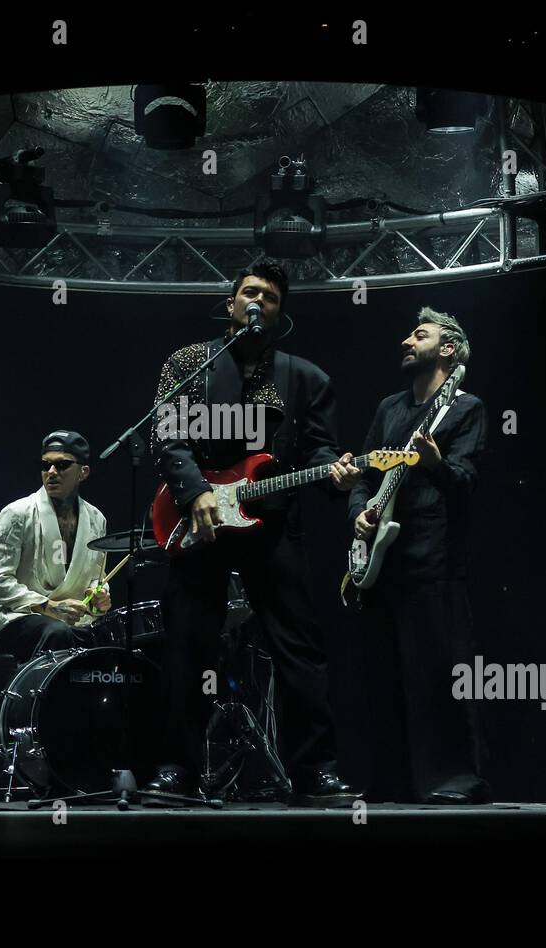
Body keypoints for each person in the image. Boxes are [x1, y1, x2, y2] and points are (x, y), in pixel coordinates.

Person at [145, 260, 363, 806]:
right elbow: (167, 439)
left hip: (273, 525)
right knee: (187, 648)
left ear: (280, 312)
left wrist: (335, 472)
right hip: (201, 523)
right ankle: (177, 768)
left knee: (299, 648)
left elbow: (320, 450)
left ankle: (313, 771)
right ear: (230, 303)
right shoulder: (191, 363)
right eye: (248, 292)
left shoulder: (305, 378)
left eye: (268, 295)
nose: (257, 301)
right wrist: (195, 492)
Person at [348, 307, 491, 804]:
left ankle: (454, 779)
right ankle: (393, 779)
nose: (407, 340)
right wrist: (359, 514)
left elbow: (468, 482)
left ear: (447, 349)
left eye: (420, 334)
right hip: (383, 562)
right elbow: (366, 474)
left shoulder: (465, 408)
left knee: (441, 671)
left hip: (435, 561)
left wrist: (436, 464)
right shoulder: (389, 408)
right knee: (384, 674)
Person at [0, 431, 111, 663]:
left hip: (74, 620)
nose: (51, 472)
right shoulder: (16, 514)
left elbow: (97, 577)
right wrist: (48, 606)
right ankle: (43, 699)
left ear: (83, 472)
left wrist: (99, 596)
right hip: (19, 615)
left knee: (111, 634)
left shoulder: (96, 519)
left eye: (62, 465)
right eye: (46, 465)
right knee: (57, 633)